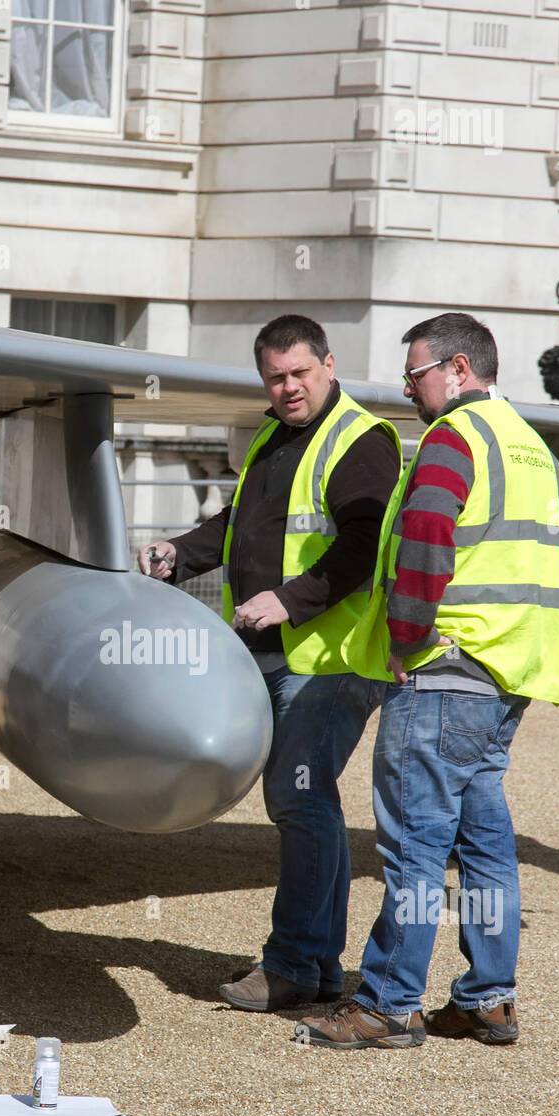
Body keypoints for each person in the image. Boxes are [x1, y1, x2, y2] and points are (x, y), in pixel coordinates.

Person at [297, 312, 559, 1050]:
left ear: (459, 369)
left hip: (446, 672)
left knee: (415, 848)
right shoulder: (534, 448)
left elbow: (426, 536)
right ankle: (488, 998)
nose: (409, 387)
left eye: (417, 372)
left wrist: (408, 637)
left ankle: (388, 1004)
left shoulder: (454, 440)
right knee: (485, 847)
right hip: (509, 674)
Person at [138, 315, 401, 1010]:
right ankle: (314, 967)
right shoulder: (275, 436)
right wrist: (180, 553)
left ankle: (289, 964)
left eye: (299, 374)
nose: (288, 387)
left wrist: (291, 600)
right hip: (285, 654)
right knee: (307, 804)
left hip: (330, 658)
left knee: (296, 797)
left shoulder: (361, 440)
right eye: (275, 377)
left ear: (329, 365)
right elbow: (240, 525)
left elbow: (365, 543)